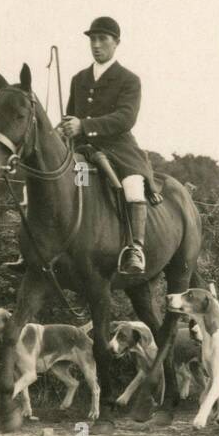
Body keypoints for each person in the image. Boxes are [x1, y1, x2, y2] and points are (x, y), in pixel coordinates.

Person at [60, 16, 158, 274]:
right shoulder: (78, 78)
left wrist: (85, 125)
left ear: (117, 43)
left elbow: (126, 117)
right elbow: (72, 114)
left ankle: (134, 248)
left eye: (102, 39)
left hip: (118, 149)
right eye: (92, 39)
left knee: (133, 184)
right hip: (81, 149)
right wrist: (66, 128)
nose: (96, 44)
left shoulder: (129, 79)